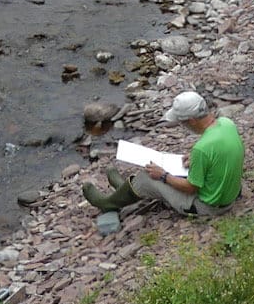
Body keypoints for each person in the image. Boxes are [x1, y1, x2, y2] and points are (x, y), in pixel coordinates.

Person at [83, 91, 243, 217]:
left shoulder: (202, 149)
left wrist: (163, 176)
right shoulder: (226, 124)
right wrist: (196, 159)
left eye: (182, 122)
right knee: (162, 173)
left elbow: (190, 188)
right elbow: (220, 153)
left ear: (192, 120)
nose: (182, 125)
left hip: (207, 206)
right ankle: (124, 190)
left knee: (146, 177)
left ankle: (107, 203)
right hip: (227, 195)